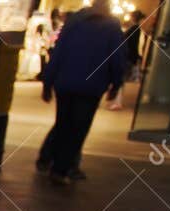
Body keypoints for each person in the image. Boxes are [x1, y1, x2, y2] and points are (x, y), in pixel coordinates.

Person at [37, 0, 124, 185]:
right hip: (91, 86)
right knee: (78, 128)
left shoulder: (74, 21)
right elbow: (116, 59)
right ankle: (60, 169)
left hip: (65, 82)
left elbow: (58, 52)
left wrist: (48, 82)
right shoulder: (112, 26)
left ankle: (47, 159)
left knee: (63, 123)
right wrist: (116, 85)